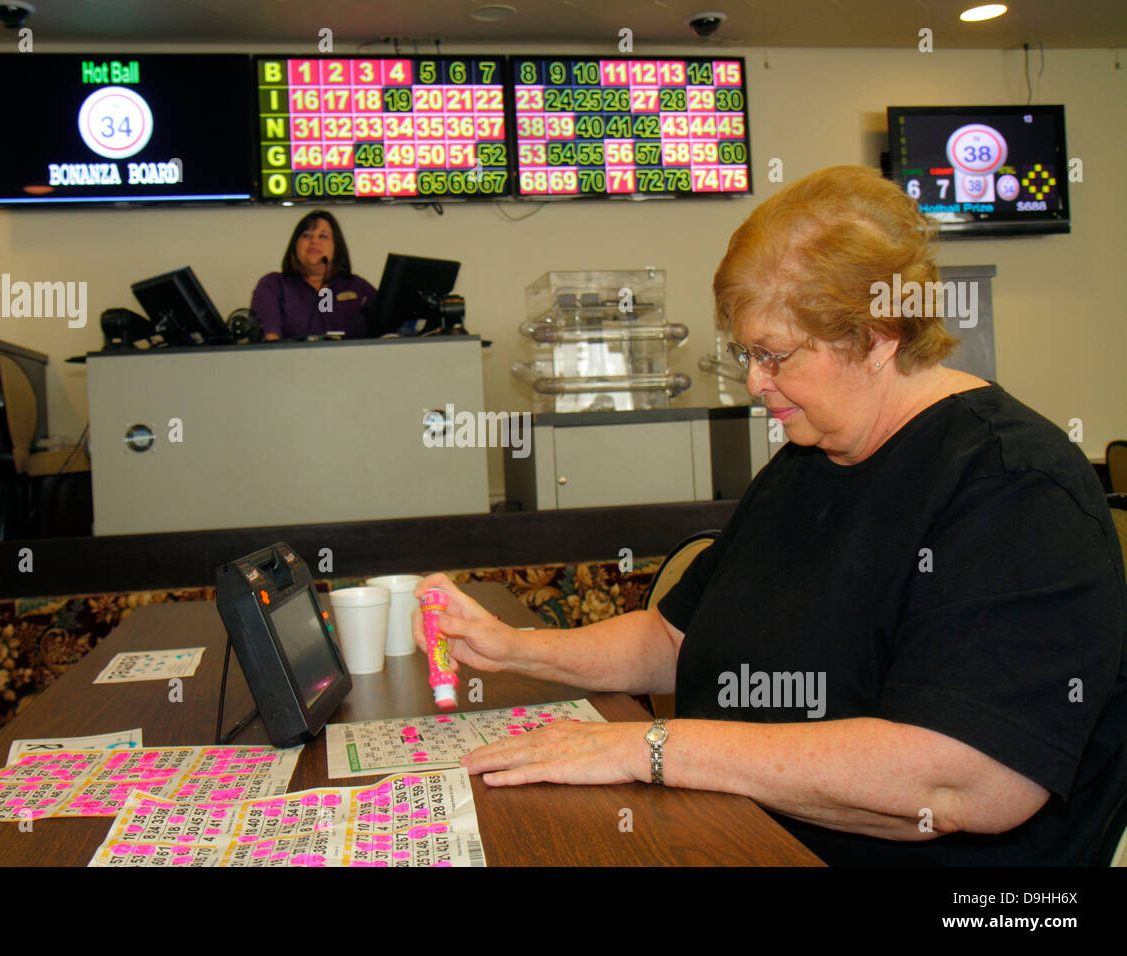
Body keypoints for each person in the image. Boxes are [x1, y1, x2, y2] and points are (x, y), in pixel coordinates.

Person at [412, 165, 1127, 866]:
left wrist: (651, 747)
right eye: (747, 354)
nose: (756, 382)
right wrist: (514, 648)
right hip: (734, 834)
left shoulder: (1014, 487)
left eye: (775, 354)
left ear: (879, 334)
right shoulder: (808, 461)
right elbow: (672, 636)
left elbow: (960, 780)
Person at [250, 210, 376, 340]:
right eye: (306, 235)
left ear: (337, 247)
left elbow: (389, 335)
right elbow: (270, 342)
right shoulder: (274, 285)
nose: (314, 241)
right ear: (294, 245)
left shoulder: (358, 286)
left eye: (323, 236)